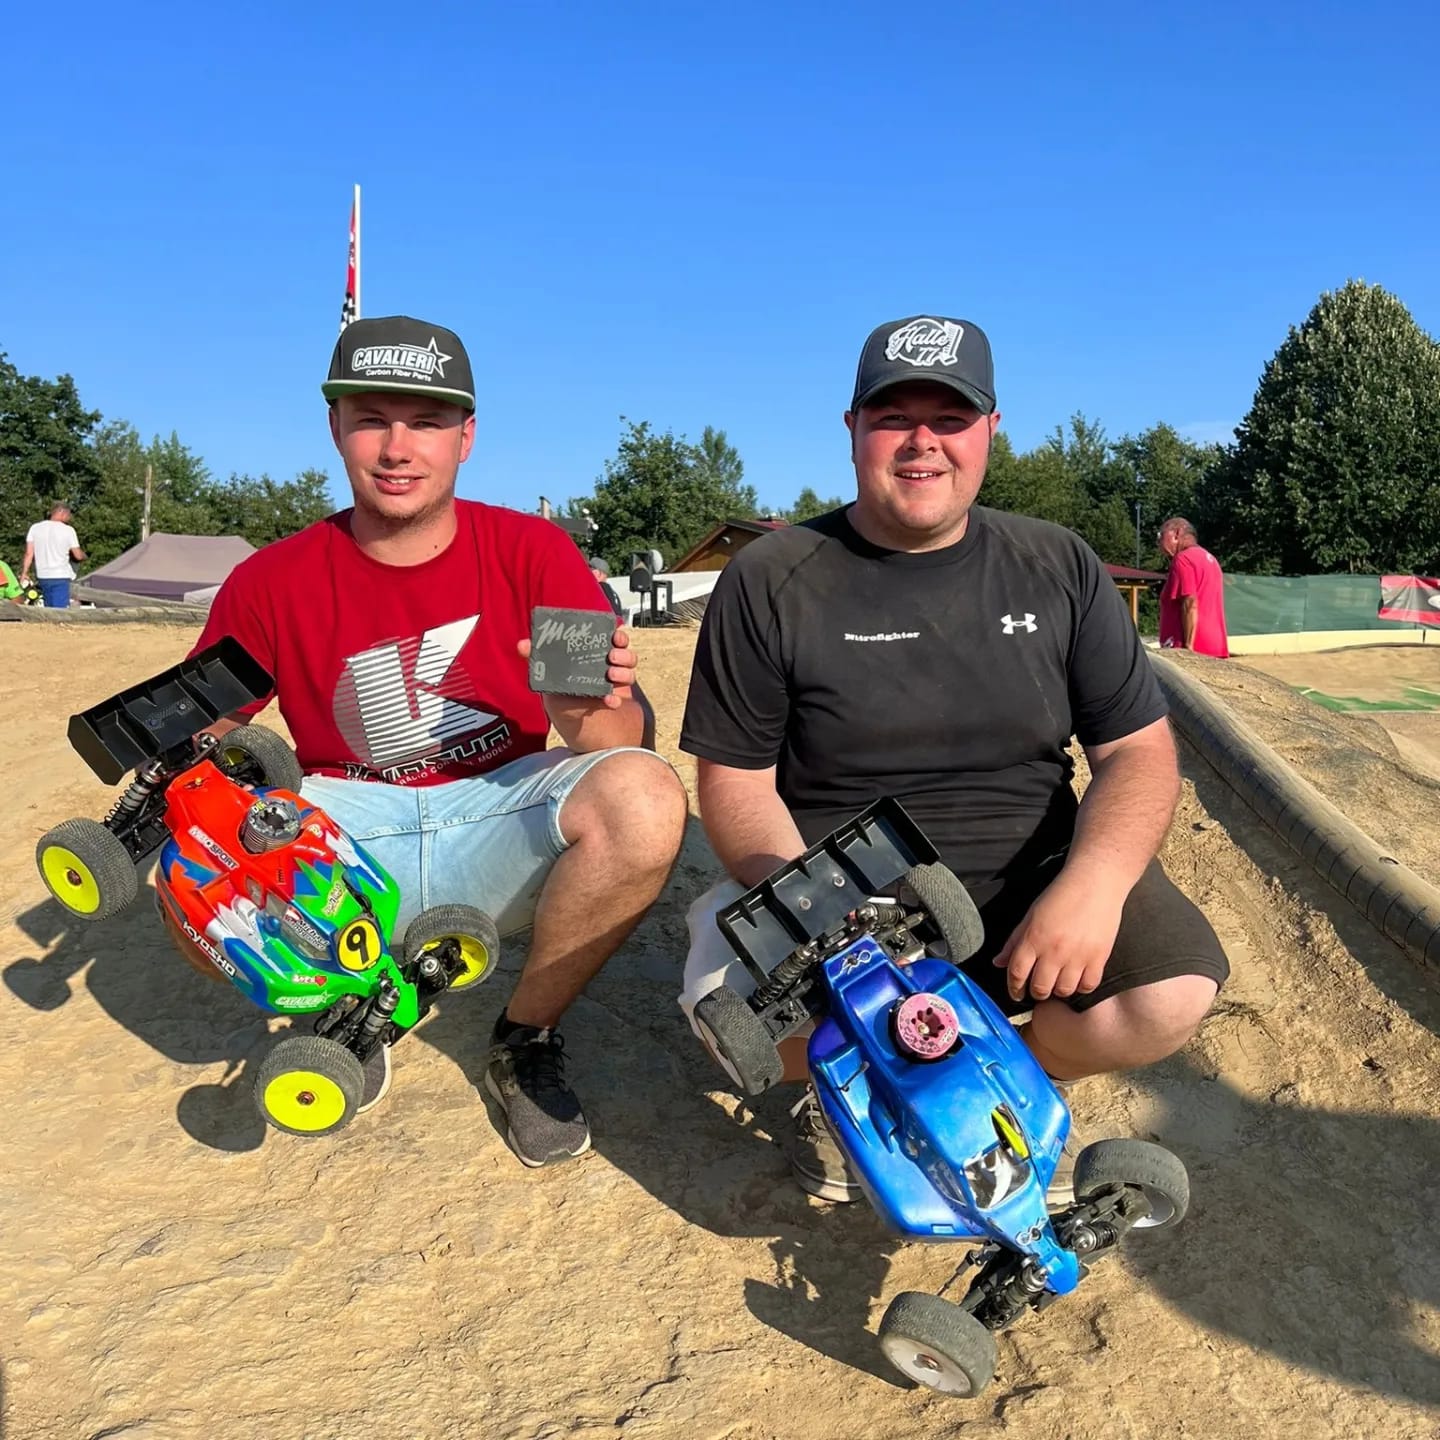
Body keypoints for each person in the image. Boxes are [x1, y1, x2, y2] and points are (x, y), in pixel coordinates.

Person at [678, 314, 1228, 1203]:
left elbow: (1138, 753)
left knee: (1167, 994)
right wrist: (817, 923)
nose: (923, 440)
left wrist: (1090, 887)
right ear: (853, 428)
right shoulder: (773, 574)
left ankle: (1018, 1083)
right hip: (843, 891)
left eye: (952, 415)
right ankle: (839, 1094)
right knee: (719, 1013)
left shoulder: (1056, 564)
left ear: (991, 431)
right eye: (895, 415)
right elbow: (734, 782)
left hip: (1030, 881)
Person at [178, 314, 688, 1167]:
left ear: (467, 437)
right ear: (335, 427)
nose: (397, 447)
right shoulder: (269, 579)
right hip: (352, 832)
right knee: (194, 843)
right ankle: (349, 1005)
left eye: (427, 422)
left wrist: (581, 704)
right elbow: (197, 733)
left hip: (498, 819)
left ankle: (524, 1038)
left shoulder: (535, 549)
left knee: (643, 790)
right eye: (372, 418)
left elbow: (617, 741)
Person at [1158, 517, 1229, 658]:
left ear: (1177, 533)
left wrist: (1189, 647)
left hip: (1190, 648)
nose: (1158, 542)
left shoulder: (1183, 559)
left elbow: (1190, 603)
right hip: (1215, 645)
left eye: (1161, 535)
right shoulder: (1211, 559)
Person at [21, 503, 85, 609]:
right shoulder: (68, 530)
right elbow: (77, 555)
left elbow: (29, 554)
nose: (69, 518)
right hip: (61, 575)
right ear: (62, 512)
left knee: (48, 608)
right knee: (59, 611)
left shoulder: (35, 528)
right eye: (68, 515)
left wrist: (24, 573)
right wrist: (84, 556)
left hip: (43, 575)